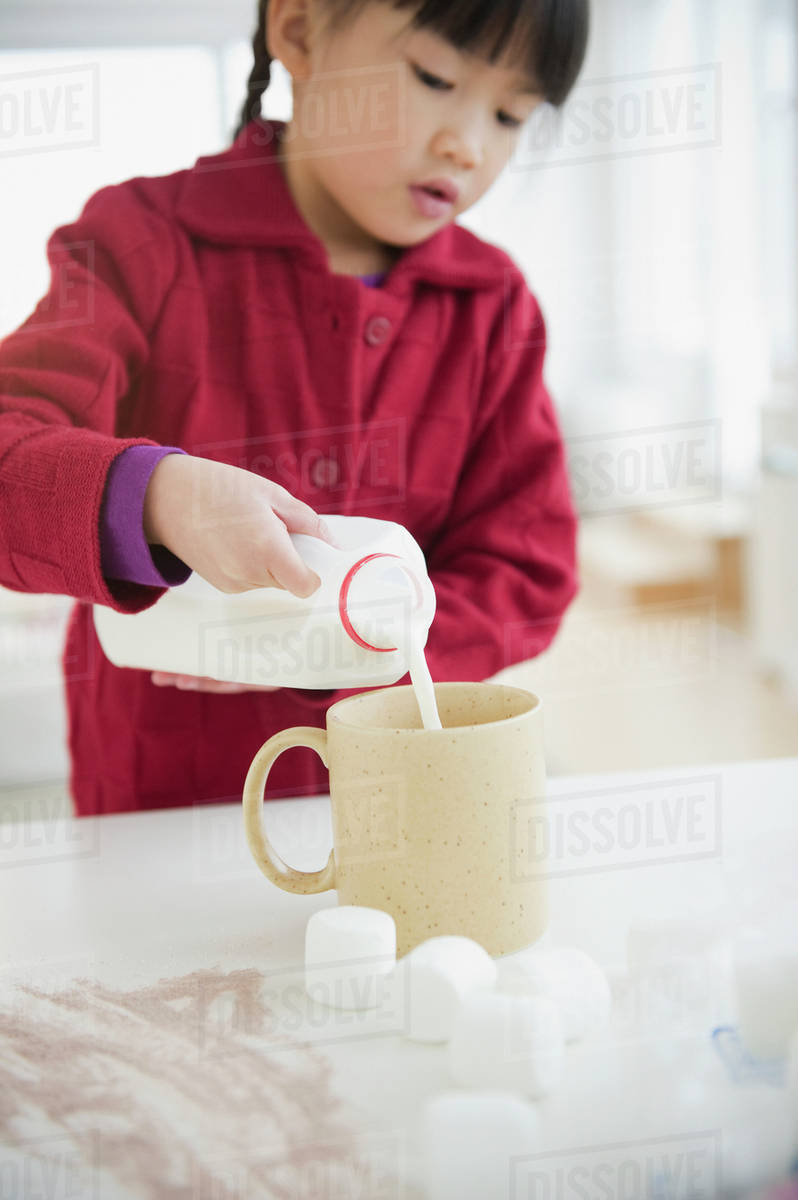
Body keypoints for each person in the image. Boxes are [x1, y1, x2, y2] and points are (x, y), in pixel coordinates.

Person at [0, 0, 588, 816]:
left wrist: (345, 644)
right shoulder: (142, 241)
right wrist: (161, 499)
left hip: (400, 806)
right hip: (164, 814)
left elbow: (527, 569)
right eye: (434, 77)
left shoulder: (493, 307)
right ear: (301, 30)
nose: (470, 144)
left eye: (510, 114)